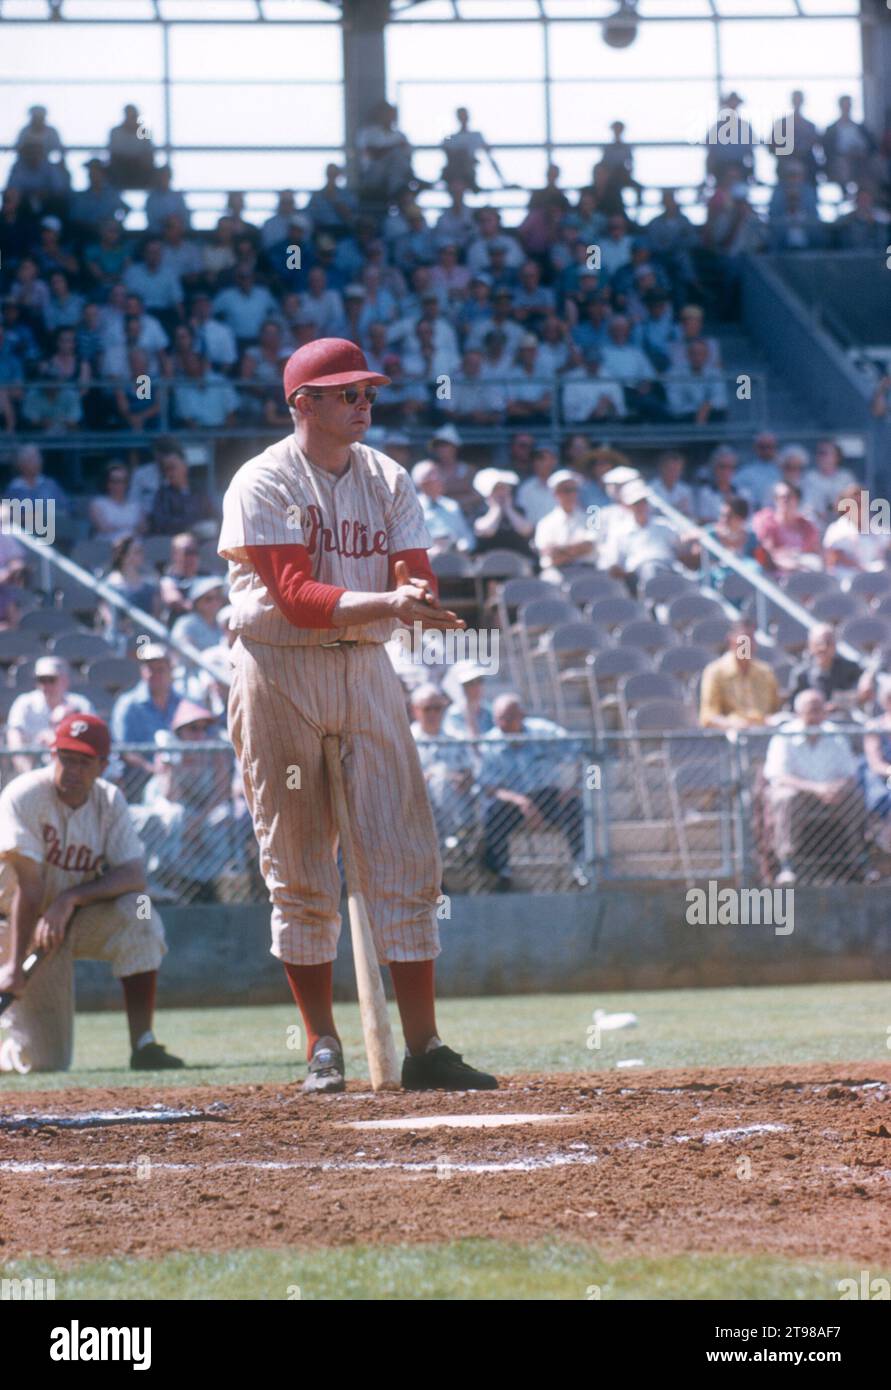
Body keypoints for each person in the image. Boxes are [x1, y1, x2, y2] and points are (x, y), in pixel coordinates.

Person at [217, 336, 497, 1093]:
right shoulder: (263, 479)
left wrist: (423, 603)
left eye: (367, 392)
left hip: (367, 667)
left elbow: (414, 573)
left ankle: (425, 1048)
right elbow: (296, 600)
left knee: (405, 851)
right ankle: (320, 1047)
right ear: (302, 402)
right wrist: (391, 603)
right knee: (300, 860)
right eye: (346, 393)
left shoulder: (389, 478)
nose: (363, 403)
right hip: (278, 668)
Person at [0, 713, 181, 1075]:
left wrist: (71, 900)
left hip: (68, 921)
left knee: (140, 910)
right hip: (14, 926)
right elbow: (30, 889)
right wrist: (14, 966)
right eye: (65, 757)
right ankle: (10, 1045)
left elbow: (134, 874)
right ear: (52, 755)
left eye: (83, 761)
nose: (71, 769)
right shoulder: (24, 795)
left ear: (101, 765)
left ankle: (143, 1043)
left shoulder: (109, 801)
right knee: (47, 1062)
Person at [478, 692, 588, 892]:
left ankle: (580, 868)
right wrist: (521, 802)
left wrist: (576, 788)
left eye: (510, 717)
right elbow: (489, 787)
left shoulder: (544, 732)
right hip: (511, 802)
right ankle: (501, 873)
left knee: (574, 806)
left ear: (522, 715)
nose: (504, 723)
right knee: (493, 813)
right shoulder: (489, 744)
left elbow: (581, 753)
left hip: (547, 797)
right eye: (500, 718)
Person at [763, 689, 865, 886]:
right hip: (799, 793)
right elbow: (778, 775)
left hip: (832, 793)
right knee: (785, 797)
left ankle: (858, 859)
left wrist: (836, 788)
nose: (816, 715)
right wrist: (816, 788)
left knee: (855, 797)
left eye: (819, 710)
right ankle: (787, 865)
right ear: (799, 712)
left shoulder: (835, 734)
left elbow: (850, 774)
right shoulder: (785, 735)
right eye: (811, 710)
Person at [409, 684, 479, 852]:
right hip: (418, 801)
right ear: (415, 710)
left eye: (438, 708)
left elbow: (471, 772)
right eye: (427, 709)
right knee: (439, 780)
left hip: (455, 798)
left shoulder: (455, 737)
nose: (433, 714)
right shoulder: (407, 740)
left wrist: (462, 779)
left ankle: (457, 839)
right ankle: (453, 837)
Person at [110, 644, 187, 783]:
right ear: (142, 671)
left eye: (160, 669)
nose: (155, 674)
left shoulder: (182, 702)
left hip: (181, 776)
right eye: (150, 669)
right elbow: (123, 750)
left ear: (171, 671)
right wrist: (152, 769)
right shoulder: (128, 704)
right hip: (139, 780)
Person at [6, 657, 94, 776]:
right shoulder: (24, 704)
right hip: (31, 770)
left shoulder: (80, 704)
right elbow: (14, 742)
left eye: (51, 679)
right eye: (41, 680)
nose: (45, 685)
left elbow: (92, 741)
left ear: (65, 680)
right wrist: (29, 776)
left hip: (72, 773)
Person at [699, 622, 781, 731]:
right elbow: (708, 717)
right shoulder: (715, 672)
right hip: (732, 738)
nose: (748, 644)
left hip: (765, 733)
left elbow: (775, 710)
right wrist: (733, 724)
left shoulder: (765, 672)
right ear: (731, 639)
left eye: (751, 639)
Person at [601, 481, 678, 593]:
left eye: (643, 502)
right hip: (635, 580)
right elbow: (613, 565)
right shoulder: (619, 531)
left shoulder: (664, 525)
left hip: (668, 573)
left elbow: (680, 548)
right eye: (636, 503)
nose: (641, 506)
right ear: (628, 506)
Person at [533, 470, 597, 584]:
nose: (571, 494)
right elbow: (551, 554)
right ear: (555, 493)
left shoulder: (591, 517)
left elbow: (590, 546)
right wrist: (578, 549)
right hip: (556, 573)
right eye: (566, 490)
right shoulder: (544, 523)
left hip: (586, 570)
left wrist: (562, 551)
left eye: (574, 490)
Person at [787, 624, 865, 715]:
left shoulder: (850, 669)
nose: (823, 648)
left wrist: (837, 705)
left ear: (835, 645)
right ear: (810, 645)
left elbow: (859, 697)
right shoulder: (801, 675)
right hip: (812, 723)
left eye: (828, 643)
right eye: (819, 643)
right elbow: (794, 707)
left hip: (843, 722)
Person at [752, 482, 821, 574]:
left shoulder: (806, 526)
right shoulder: (767, 523)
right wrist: (789, 562)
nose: (784, 500)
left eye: (788, 497)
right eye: (779, 497)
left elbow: (816, 552)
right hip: (776, 573)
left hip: (803, 570)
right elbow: (765, 555)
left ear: (796, 499)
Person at [411, 460, 476, 556]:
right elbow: (411, 541)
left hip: (454, 558)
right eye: (432, 475)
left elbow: (466, 536)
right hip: (426, 560)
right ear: (421, 482)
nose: (439, 478)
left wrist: (462, 547)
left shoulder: (452, 506)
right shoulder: (413, 507)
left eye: (438, 474)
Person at [148, 448, 218, 537]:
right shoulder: (162, 495)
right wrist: (191, 526)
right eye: (166, 470)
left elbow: (215, 517)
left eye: (172, 467)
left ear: (184, 466)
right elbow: (161, 524)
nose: (169, 473)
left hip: (202, 542)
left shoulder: (199, 492)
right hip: (175, 543)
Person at [823, 485, 889, 574]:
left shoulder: (874, 527)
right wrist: (861, 568)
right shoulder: (837, 529)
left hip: (873, 577)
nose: (862, 508)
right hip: (845, 578)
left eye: (864, 504)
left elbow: (887, 545)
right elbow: (832, 556)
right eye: (858, 504)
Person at [472, 468, 534, 559]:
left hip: (519, 559)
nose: (502, 492)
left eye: (504, 488)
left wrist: (508, 509)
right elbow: (486, 531)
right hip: (489, 563)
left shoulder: (518, 510)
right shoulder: (481, 511)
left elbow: (526, 531)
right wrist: (497, 509)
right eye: (497, 489)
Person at [440, 108, 506, 192]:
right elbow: (446, 150)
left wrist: (502, 180)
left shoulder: (476, 136)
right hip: (453, 175)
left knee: (458, 182)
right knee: (457, 182)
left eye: (464, 115)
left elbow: (490, 159)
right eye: (461, 116)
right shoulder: (451, 138)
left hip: (467, 173)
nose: (463, 118)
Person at [89, 462, 145, 544]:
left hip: (135, 548)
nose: (120, 484)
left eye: (124, 481)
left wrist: (117, 527)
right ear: (107, 483)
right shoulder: (97, 504)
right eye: (116, 481)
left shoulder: (136, 504)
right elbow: (104, 528)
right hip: (107, 548)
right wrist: (131, 528)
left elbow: (143, 528)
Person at [170, 576, 228, 652]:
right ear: (197, 602)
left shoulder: (223, 623)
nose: (215, 602)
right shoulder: (186, 623)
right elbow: (182, 652)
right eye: (208, 599)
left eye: (218, 597)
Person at [442, 661, 495, 740]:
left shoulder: (490, 711)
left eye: (479, 680)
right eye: (470, 683)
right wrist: (469, 716)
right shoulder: (452, 715)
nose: (477, 687)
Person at [108, 104, 156, 190]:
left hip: (140, 167)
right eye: (129, 116)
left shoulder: (145, 132)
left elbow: (149, 153)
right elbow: (114, 153)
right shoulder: (115, 132)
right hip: (121, 166)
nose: (131, 119)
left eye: (133, 116)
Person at [649, 451, 694, 517]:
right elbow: (649, 516)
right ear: (662, 468)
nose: (674, 473)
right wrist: (676, 508)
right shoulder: (650, 489)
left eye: (677, 470)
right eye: (671, 469)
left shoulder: (685, 490)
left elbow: (690, 516)